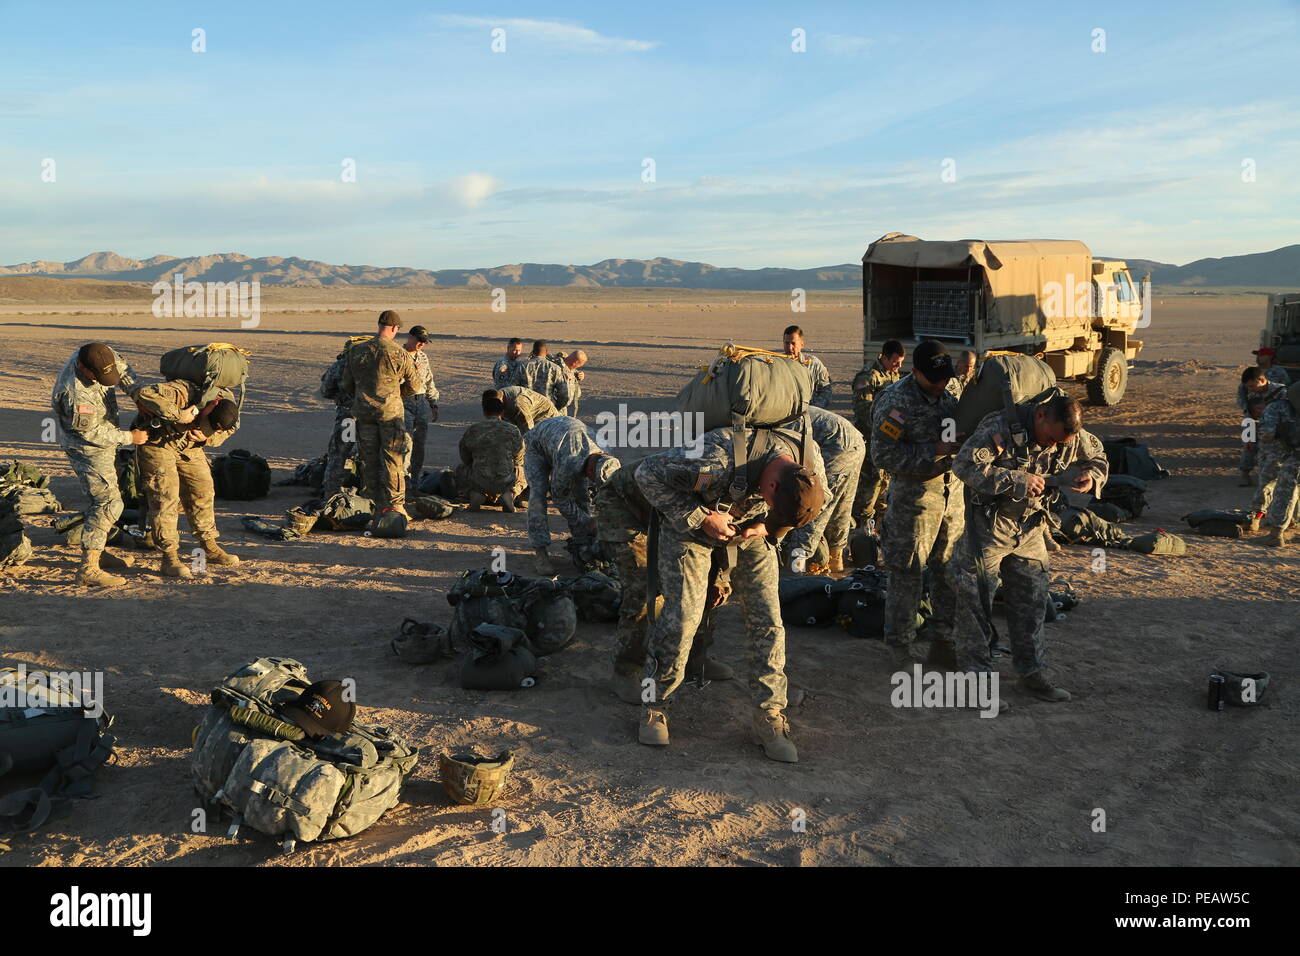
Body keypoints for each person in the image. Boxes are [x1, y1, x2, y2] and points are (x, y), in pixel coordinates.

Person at [634, 426, 825, 762]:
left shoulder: (810, 462)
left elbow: (815, 505)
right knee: (683, 618)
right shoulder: (713, 457)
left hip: (750, 531)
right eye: (771, 501)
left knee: (767, 619)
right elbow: (646, 473)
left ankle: (769, 714)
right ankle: (654, 703)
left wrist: (766, 525)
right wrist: (700, 517)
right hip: (691, 527)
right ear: (771, 485)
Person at [950, 391, 1109, 701]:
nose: (1055, 447)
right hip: (990, 528)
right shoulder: (998, 426)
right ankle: (975, 685)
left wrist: (1092, 475)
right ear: (1040, 416)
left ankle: (1032, 673)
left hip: (1031, 528)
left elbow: (1098, 454)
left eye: (1061, 443)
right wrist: (1016, 480)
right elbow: (964, 466)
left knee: (1032, 603)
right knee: (975, 603)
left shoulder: (1067, 434)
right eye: (1051, 439)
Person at [594, 463, 734, 703]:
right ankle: (626, 670)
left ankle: (694, 658)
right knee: (647, 589)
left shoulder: (745, 487)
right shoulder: (706, 470)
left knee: (711, 585)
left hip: (671, 517)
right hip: (623, 508)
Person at [870, 340, 964, 670]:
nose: (941, 385)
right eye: (934, 379)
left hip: (952, 499)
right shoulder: (896, 402)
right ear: (916, 371)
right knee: (907, 573)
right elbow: (882, 455)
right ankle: (899, 647)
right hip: (914, 502)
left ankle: (943, 641)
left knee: (949, 572)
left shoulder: (950, 391)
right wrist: (933, 451)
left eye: (945, 378)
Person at [50, 342, 148, 587]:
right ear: (84, 369)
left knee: (103, 497)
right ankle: (89, 568)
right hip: (87, 448)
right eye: (100, 377)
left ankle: (99, 549)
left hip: (104, 440)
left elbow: (124, 372)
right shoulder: (73, 393)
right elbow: (90, 433)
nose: (108, 379)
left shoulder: (100, 354)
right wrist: (130, 438)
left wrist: (138, 396)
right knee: (108, 502)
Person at [133, 381, 241, 578]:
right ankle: (169, 557)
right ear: (213, 403)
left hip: (189, 446)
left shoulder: (228, 404)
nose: (205, 425)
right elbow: (145, 393)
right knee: (165, 497)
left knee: (203, 489)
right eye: (207, 421)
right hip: (157, 443)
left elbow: (227, 430)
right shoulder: (181, 392)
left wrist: (206, 438)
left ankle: (209, 545)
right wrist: (181, 415)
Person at [339, 311, 421, 517]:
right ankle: (395, 506)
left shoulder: (357, 351)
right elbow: (414, 385)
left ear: (379, 325)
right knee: (393, 459)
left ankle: (371, 504)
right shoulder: (400, 353)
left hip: (364, 413)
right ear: (395, 328)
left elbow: (346, 384)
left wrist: (364, 395)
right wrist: (395, 395)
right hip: (390, 414)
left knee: (368, 459)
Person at [523, 415, 620, 575]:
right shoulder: (569, 461)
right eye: (593, 479)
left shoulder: (607, 453)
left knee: (582, 495)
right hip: (538, 445)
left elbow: (599, 495)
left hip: (566, 439)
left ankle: (582, 544)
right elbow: (560, 499)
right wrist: (587, 521)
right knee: (538, 495)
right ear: (589, 470)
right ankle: (541, 553)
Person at [782, 406, 864, 575]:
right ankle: (836, 560)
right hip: (851, 439)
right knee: (841, 506)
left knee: (812, 506)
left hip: (834, 444)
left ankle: (796, 568)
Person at [851, 339, 905, 523]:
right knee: (870, 481)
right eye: (895, 362)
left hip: (887, 440)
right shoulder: (868, 376)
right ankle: (861, 522)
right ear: (884, 357)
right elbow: (863, 409)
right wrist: (881, 432)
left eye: (901, 363)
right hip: (870, 438)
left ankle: (880, 522)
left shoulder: (893, 375)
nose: (898, 366)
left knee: (885, 482)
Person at [458, 390, 525, 512]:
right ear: (503, 412)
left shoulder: (474, 429)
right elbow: (519, 457)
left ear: (484, 411)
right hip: (505, 479)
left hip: (480, 479)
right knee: (524, 470)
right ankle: (510, 494)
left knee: (461, 469)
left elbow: (464, 455)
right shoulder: (513, 430)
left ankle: (476, 494)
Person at [319, 335, 368, 498]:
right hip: (372, 416)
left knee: (339, 454)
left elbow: (326, 390)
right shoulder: (376, 364)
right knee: (370, 455)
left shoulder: (341, 364)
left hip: (348, 416)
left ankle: (331, 494)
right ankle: (369, 494)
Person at [1257, 383, 1300, 546]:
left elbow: (1267, 434)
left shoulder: (1278, 407)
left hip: (1295, 457)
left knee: (1285, 493)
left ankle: (1275, 535)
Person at [1238, 365, 1289, 488]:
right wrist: (1248, 434)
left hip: (1276, 432)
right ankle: (1246, 474)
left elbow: (1288, 414)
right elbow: (1247, 411)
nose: (1251, 389)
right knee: (1250, 449)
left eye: (1252, 386)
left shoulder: (1282, 392)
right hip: (1256, 426)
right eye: (1248, 387)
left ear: (1261, 380)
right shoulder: (1249, 390)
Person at [401, 325, 440, 489]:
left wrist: (433, 403)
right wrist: (409, 371)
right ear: (410, 337)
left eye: (424, 342)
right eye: (419, 341)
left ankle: (415, 482)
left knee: (419, 446)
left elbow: (429, 380)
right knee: (406, 445)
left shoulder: (423, 357)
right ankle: (403, 482)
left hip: (421, 403)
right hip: (404, 403)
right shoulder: (399, 356)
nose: (422, 345)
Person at [510, 342, 574, 412]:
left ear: (533, 352)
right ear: (547, 352)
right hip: (546, 410)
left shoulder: (522, 366)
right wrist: (556, 408)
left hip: (526, 408)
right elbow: (564, 394)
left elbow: (512, 388)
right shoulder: (554, 368)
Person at [782, 325, 832, 408]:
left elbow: (826, 390)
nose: (790, 347)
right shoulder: (777, 363)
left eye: (793, 343)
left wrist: (814, 409)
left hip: (809, 412)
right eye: (787, 343)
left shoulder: (813, 363)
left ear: (802, 344)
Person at [550, 349, 588, 417]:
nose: (577, 367)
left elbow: (572, 369)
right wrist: (564, 377)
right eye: (579, 365)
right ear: (575, 363)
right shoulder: (556, 367)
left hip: (562, 409)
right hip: (553, 408)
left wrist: (579, 375)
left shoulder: (569, 367)